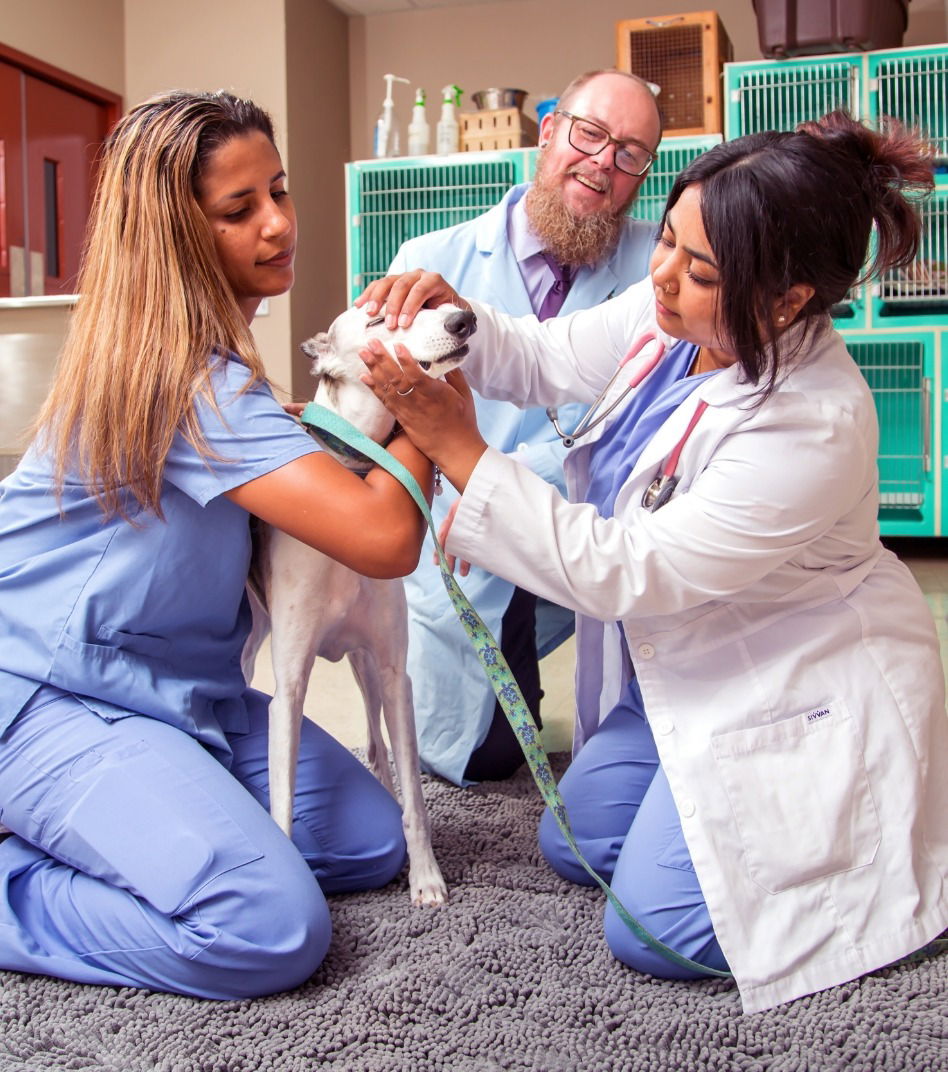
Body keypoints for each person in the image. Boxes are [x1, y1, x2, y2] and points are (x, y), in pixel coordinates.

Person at [356, 111, 948, 1014]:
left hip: (793, 683)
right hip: (690, 670)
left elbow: (624, 569)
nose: (662, 276)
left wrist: (461, 450)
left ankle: (882, 857)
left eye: (699, 269)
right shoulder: (676, 310)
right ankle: (697, 799)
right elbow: (548, 354)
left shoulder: (811, 424)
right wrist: (460, 320)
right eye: (667, 240)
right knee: (574, 844)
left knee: (656, 928)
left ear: (787, 300)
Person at [0, 90, 436, 1000]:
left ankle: (128, 817)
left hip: (178, 694)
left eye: (278, 192)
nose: (279, 224)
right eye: (240, 210)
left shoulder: (231, 379)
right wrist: (425, 405)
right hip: (47, 693)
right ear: (175, 235)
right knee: (266, 924)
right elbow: (384, 539)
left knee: (369, 840)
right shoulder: (191, 384)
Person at [389, 69, 663, 785]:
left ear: (643, 174)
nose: (604, 162)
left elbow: (643, 424)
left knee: (645, 725)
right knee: (486, 758)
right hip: (464, 542)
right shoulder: (432, 262)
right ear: (549, 132)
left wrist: (510, 481)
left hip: (598, 530)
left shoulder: (661, 267)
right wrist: (478, 499)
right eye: (591, 134)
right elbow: (402, 419)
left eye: (630, 153)